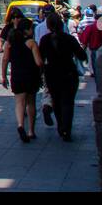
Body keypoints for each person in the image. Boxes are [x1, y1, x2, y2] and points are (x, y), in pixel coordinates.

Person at [38, 11, 87, 141]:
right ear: (62, 25)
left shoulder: (44, 40)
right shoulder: (69, 39)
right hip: (68, 73)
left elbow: (40, 59)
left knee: (57, 101)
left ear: (48, 26)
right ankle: (66, 129)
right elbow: (82, 55)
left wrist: (40, 74)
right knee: (68, 102)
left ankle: (61, 126)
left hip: (52, 74)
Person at [1, 10, 44, 142]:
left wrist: (3, 76)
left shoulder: (10, 43)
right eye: (31, 28)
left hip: (17, 75)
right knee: (31, 103)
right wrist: (42, 71)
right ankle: (31, 130)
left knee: (19, 102)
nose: (32, 30)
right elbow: (39, 62)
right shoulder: (31, 43)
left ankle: (20, 125)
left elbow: (5, 60)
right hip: (31, 76)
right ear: (27, 30)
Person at [77, 7, 102, 77]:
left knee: (94, 63)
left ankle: (94, 73)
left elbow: (84, 38)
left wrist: (84, 44)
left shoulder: (89, 27)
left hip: (93, 48)